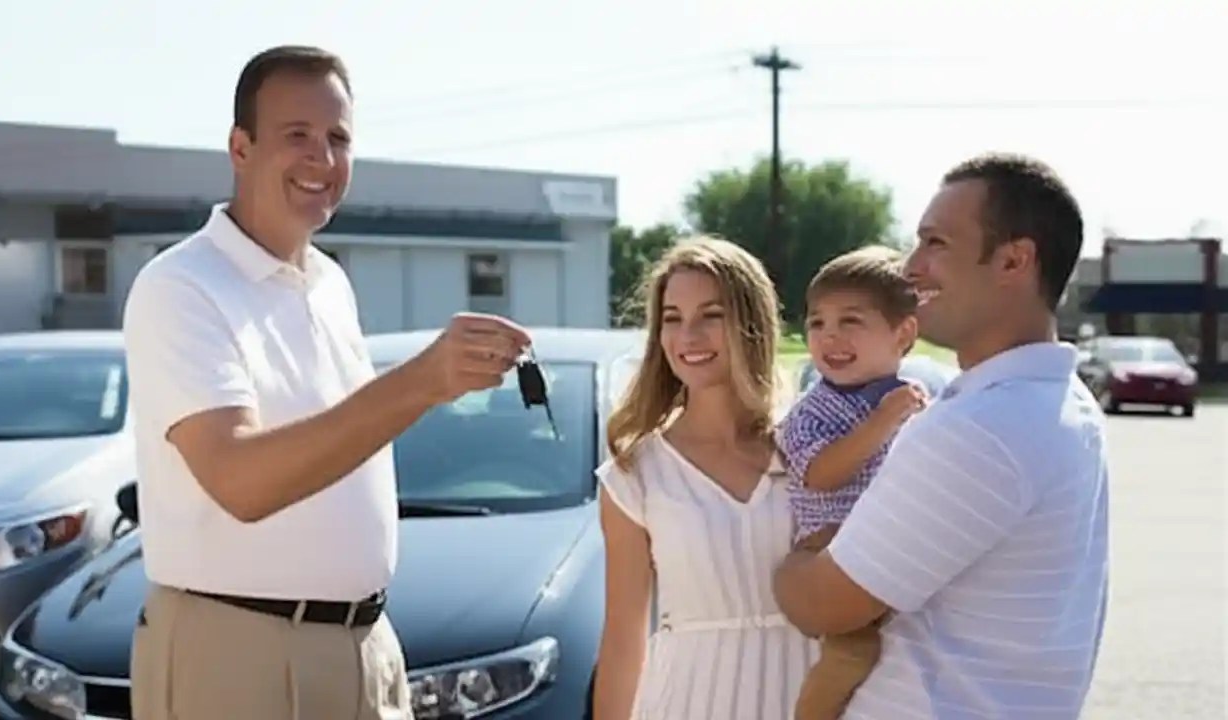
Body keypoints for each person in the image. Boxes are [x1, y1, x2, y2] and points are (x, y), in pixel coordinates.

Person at [122, 45, 530, 720]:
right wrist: (422, 382)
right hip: (239, 656)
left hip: (365, 647)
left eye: (338, 138)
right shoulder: (180, 287)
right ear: (240, 148)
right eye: (297, 136)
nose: (323, 158)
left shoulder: (329, 282)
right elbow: (241, 483)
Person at [772, 153, 1110, 719]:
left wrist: (791, 565)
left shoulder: (980, 431)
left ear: (1013, 260)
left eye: (936, 243)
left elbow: (823, 607)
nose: (911, 265)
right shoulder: (1064, 404)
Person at [593, 236, 818, 720]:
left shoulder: (810, 450)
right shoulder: (636, 475)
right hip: (690, 702)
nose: (687, 336)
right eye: (672, 318)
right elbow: (622, 640)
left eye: (710, 316)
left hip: (807, 694)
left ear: (750, 323)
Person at [774, 245, 926, 720]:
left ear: (903, 334)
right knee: (852, 654)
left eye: (850, 322)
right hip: (830, 552)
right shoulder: (813, 412)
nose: (829, 337)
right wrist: (882, 423)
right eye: (817, 323)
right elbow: (819, 475)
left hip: (886, 550)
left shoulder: (910, 396)